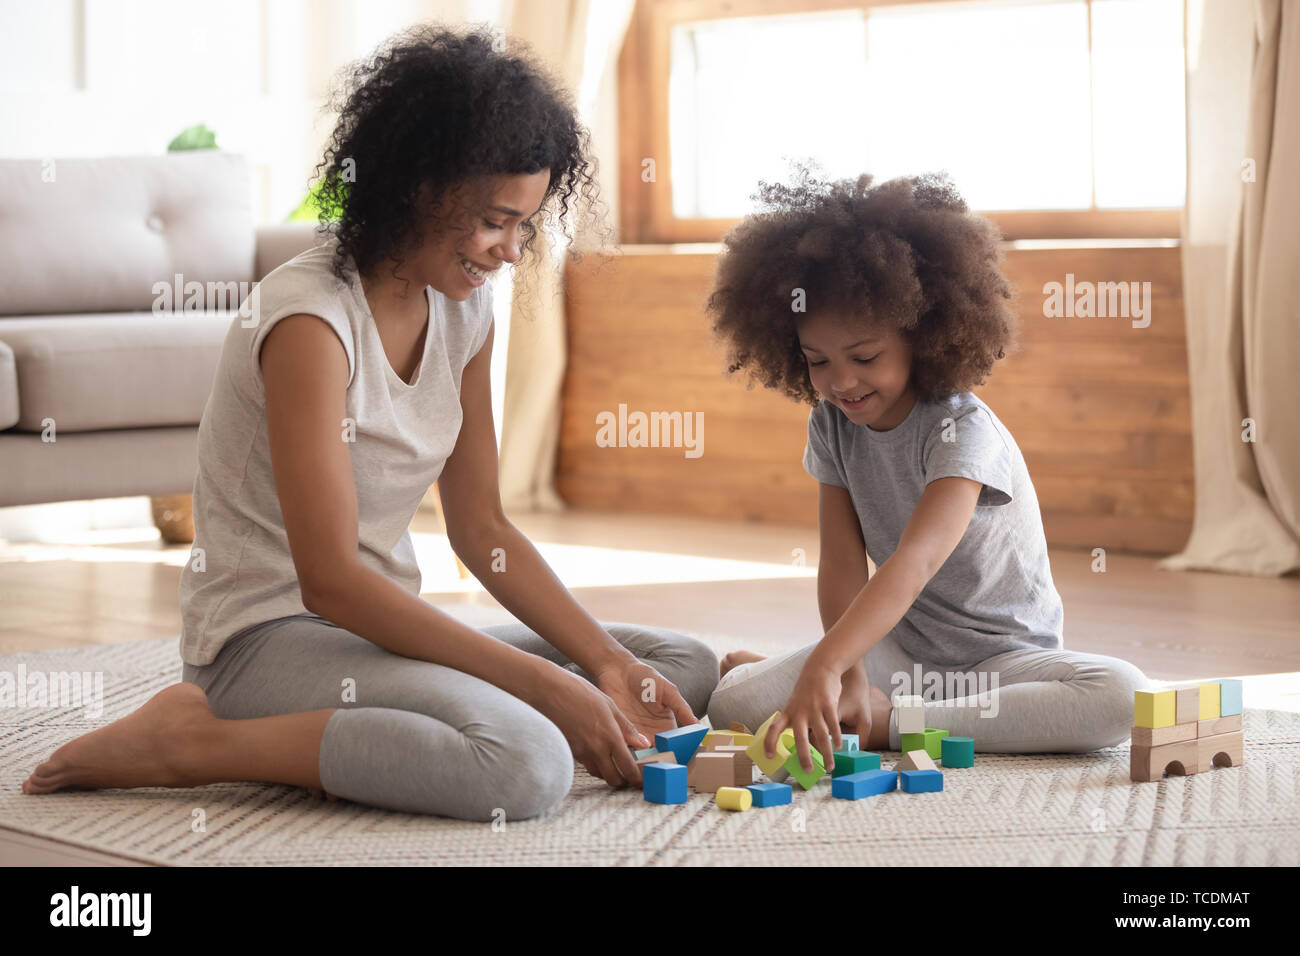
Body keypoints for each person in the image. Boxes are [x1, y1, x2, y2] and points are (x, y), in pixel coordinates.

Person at [21, 24, 718, 821]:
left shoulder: (467, 311)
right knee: (524, 762)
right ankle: (194, 740)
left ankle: (432, 712)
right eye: (496, 220)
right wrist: (545, 685)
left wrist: (598, 662)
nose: (511, 251)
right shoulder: (312, 324)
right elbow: (331, 583)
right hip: (268, 644)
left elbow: (482, 524)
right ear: (420, 186)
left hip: (377, 637)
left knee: (670, 664)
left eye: (524, 224)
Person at [702, 166, 1148, 775]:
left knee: (1119, 696)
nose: (840, 382)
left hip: (1005, 662)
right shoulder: (832, 424)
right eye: (817, 361)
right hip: (903, 653)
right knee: (733, 700)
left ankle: (889, 723)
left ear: (923, 332)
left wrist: (825, 669)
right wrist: (849, 669)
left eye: (865, 357)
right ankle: (863, 696)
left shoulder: (963, 431)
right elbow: (839, 562)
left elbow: (913, 564)